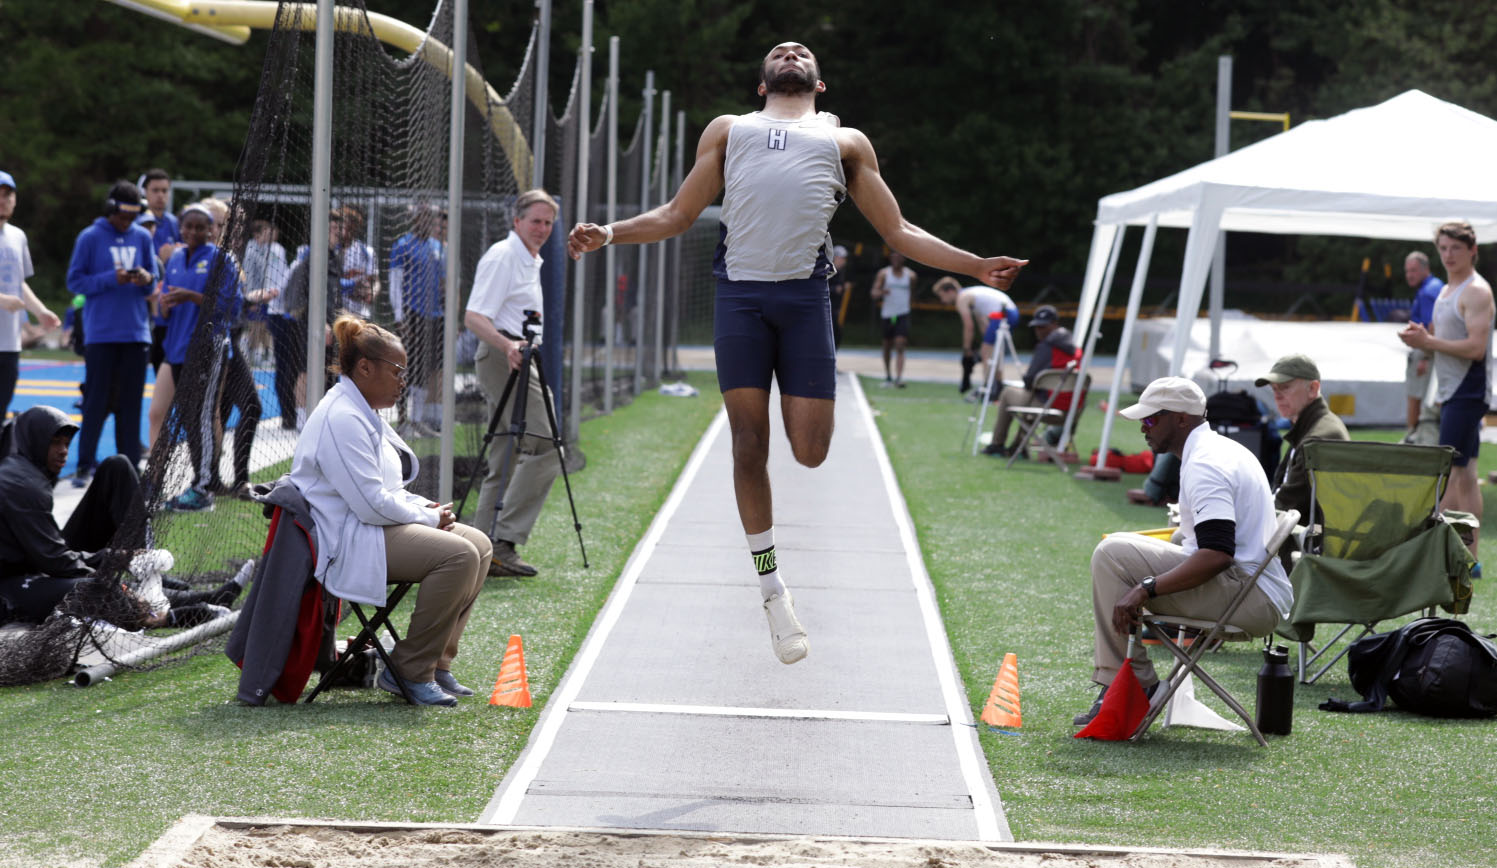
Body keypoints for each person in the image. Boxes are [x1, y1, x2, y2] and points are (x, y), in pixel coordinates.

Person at [565, 41, 1027, 664]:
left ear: (819, 82)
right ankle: (770, 585)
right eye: (779, 51)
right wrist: (611, 233)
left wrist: (975, 265)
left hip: (805, 300)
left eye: (800, 50)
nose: (789, 50)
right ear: (762, 84)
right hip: (741, 299)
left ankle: (788, 430)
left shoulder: (846, 142)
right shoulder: (731, 131)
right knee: (747, 441)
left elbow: (898, 231)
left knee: (810, 451)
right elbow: (678, 214)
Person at [288, 315, 492, 706]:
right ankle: (408, 671)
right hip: (347, 541)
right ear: (364, 368)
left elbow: (386, 492)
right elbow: (371, 505)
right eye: (398, 371)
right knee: (458, 554)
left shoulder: (363, 409)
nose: (403, 381)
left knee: (479, 545)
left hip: (371, 527)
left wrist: (423, 506)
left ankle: (435, 663)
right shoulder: (343, 417)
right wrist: (430, 517)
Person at [1075, 377, 1293, 725]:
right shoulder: (1219, 448)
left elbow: (1217, 554)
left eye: (1150, 419)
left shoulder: (1205, 464)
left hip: (1248, 597)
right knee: (1117, 546)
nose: (1143, 428)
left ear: (1180, 418)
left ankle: (1131, 689)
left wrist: (1145, 587)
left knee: (1110, 554)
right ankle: (1130, 685)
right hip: (1255, 589)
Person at [0, 406, 240, 628]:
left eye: (66, 443)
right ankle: (171, 615)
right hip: (11, 586)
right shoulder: (22, 485)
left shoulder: (31, 468)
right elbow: (53, 560)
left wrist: (120, 559)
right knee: (94, 588)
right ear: (36, 441)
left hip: (37, 562)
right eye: (55, 443)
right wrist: (114, 572)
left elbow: (49, 552)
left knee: (118, 467)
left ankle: (151, 578)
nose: (63, 451)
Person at [465, 190, 562, 578]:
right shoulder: (504, 256)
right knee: (546, 444)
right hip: (505, 358)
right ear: (516, 221)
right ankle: (503, 541)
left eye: (548, 222)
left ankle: (480, 546)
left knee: (503, 456)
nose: (542, 228)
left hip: (517, 358)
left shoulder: (528, 258)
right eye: (535, 220)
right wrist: (506, 345)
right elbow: (474, 316)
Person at [1399, 220, 1493, 560]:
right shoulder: (1445, 289)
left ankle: (1443, 551)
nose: (1448, 254)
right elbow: (1445, 337)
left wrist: (1428, 341)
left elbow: (1476, 348)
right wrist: (1422, 337)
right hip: (1451, 389)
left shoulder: (1477, 291)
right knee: (1466, 473)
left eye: (1456, 248)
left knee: (1448, 472)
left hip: (1468, 391)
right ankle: (1469, 556)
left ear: (1472, 251)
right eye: (1443, 248)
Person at [65, 180, 158, 487]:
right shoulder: (89, 237)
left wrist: (144, 278)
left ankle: (129, 467)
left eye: (132, 216)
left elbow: (152, 282)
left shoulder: (143, 237)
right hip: (101, 335)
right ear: (110, 209)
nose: (126, 222)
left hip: (136, 334)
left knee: (131, 406)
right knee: (95, 402)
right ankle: (85, 464)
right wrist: (110, 279)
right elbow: (75, 281)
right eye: (122, 215)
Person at [158, 204, 247, 511]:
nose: (194, 232)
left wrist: (191, 297)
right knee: (188, 419)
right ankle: (199, 481)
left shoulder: (221, 259)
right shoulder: (175, 259)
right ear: (180, 229)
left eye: (200, 227)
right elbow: (163, 310)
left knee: (202, 415)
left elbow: (232, 308)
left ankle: (204, 487)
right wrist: (166, 305)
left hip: (209, 348)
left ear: (211, 230)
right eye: (188, 227)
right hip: (178, 348)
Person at [1254, 354, 1349, 524]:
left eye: (1285, 387)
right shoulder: (1311, 427)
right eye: (1274, 389)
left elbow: (1285, 506)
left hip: (1304, 544)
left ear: (1313, 388)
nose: (1277, 396)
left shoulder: (1319, 437)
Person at [0, 171, 62, 418]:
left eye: (8, 194)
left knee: (2, 408)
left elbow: (19, 284)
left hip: (9, 342)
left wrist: (40, 311)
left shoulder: (17, 237)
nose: (3, 200)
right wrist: (3, 301)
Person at [981, 304, 1077, 457]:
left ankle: (997, 445)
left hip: (1049, 407)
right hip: (1072, 412)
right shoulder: (1076, 349)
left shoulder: (1046, 347)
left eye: (1043, 327)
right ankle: (1018, 448)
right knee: (1031, 398)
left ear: (1054, 325)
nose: (1039, 330)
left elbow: (1030, 380)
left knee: (1008, 393)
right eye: (1037, 327)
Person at [390, 204, 446, 435]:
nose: (426, 222)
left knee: (427, 368)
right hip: (411, 314)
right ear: (413, 220)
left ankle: (417, 420)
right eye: (421, 218)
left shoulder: (437, 247)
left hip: (434, 316)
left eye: (429, 219)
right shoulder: (402, 245)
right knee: (407, 367)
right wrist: (399, 317)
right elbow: (395, 282)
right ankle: (403, 420)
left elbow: (442, 283)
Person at [244, 219, 297, 429]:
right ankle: (252, 350)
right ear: (257, 234)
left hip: (276, 298)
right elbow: (250, 274)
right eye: (266, 231)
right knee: (256, 325)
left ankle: (263, 351)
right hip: (259, 295)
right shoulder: (251, 250)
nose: (271, 234)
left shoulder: (278, 249)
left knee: (266, 329)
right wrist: (253, 296)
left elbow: (281, 272)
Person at [933, 275, 1018, 398]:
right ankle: (997, 386)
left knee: (985, 352)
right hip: (1009, 312)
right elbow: (982, 322)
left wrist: (967, 349)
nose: (942, 300)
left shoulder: (962, 299)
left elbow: (969, 326)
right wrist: (987, 342)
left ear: (950, 291)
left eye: (942, 296)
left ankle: (988, 388)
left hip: (1003, 314)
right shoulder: (971, 296)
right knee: (992, 351)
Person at [140, 169, 182, 376]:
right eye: (155, 190)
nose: (160, 195)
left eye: (165, 190)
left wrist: (176, 255)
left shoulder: (174, 223)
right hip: (143, 308)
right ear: (144, 192)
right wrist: (160, 259)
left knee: (166, 371)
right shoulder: (136, 221)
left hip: (166, 309)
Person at [1403, 250, 1444, 438]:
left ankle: (1412, 436)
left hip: (1426, 352)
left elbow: (1432, 328)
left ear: (1425, 269)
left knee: (1415, 396)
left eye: (1413, 270)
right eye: (1407, 271)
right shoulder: (1437, 287)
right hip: (1435, 352)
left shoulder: (1428, 292)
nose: (1409, 275)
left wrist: (1425, 357)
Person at [870, 251, 915, 387]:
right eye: (893, 256)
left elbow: (912, 294)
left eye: (899, 257)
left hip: (902, 314)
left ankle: (899, 378)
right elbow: (873, 293)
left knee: (900, 344)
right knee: (887, 346)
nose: (896, 259)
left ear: (904, 258)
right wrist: (882, 292)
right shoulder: (884, 274)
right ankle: (888, 376)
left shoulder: (911, 276)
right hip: (888, 315)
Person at [337, 205, 378, 319]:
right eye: (344, 225)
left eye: (351, 227)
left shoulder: (366, 252)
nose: (346, 230)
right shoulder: (330, 251)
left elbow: (375, 281)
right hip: (335, 313)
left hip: (359, 314)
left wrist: (371, 293)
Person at [827, 244, 851, 349]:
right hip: (827, 308)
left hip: (836, 309)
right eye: (842, 258)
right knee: (832, 334)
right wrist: (835, 289)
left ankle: (833, 357)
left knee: (837, 334)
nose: (844, 261)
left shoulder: (841, 272)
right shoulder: (827, 270)